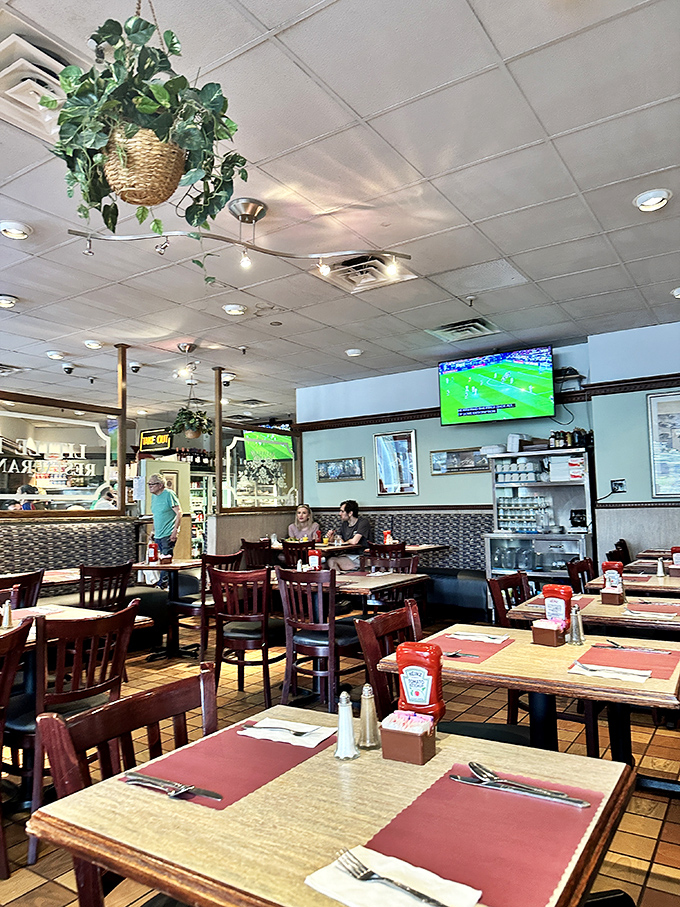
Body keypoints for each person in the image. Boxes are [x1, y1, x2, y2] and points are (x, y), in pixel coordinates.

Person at [148, 474, 182, 588]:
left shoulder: (169, 494)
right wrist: (153, 531)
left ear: (160, 485)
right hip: (158, 534)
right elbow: (156, 515)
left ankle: (162, 585)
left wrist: (175, 531)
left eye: (152, 484)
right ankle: (165, 585)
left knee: (166, 560)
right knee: (158, 561)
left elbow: (179, 513)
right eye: (149, 484)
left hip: (168, 533)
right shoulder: (154, 497)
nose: (150, 487)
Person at [326, 499, 372, 572]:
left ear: (350, 513)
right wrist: (331, 537)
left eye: (342, 511)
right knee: (324, 562)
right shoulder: (345, 524)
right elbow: (340, 540)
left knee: (331, 561)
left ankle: (337, 580)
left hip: (361, 556)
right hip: (347, 555)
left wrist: (345, 542)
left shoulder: (363, 522)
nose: (339, 514)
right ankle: (339, 578)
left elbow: (354, 541)